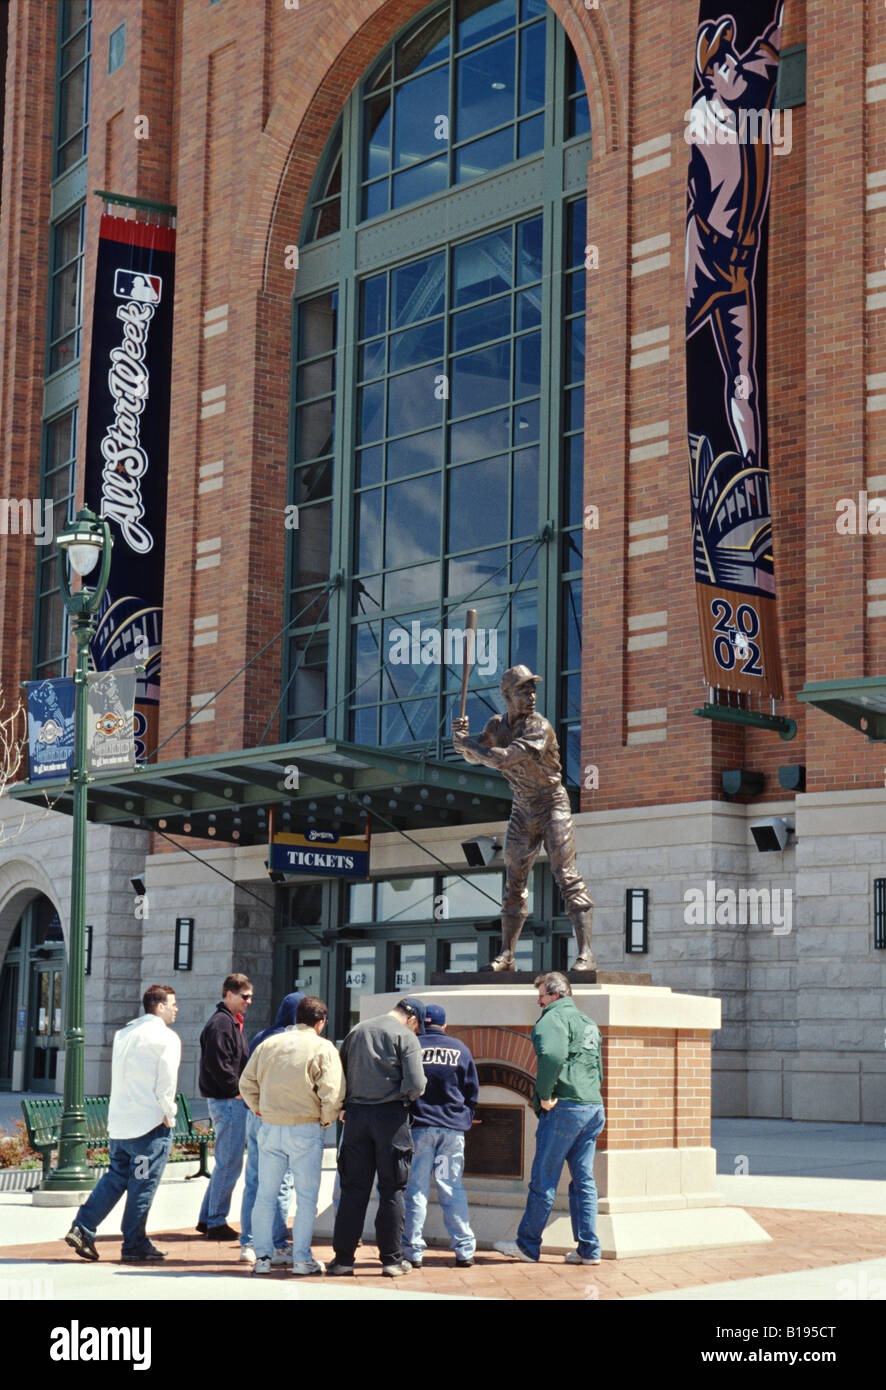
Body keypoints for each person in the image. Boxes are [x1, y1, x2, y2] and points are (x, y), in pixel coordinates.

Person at [452, 665, 595, 971]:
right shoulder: (496, 724)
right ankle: (507, 955)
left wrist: (469, 746)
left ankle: (585, 954)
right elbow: (471, 755)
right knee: (514, 882)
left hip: (552, 803)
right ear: (506, 695)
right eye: (523, 690)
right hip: (522, 807)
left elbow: (500, 759)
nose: (531, 696)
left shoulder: (538, 727)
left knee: (566, 875)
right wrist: (461, 739)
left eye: (533, 690)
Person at [64, 984, 180, 1264]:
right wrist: (169, 1113)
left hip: (120, 1124)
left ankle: (83, 1226)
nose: (176, 1009)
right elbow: (165, 1082)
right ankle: (134, 1242)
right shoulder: (166, 1037)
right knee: (142, 1184)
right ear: (160, 1006)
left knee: (115, 1178)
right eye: (173, 1004)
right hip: (148, 1127)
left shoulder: (124, 1033)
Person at [494, 972, 605, 1265]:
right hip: (592, 1106)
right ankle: (588, 1249)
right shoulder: (588, 1022)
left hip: (565, 1108)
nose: (539, 1001)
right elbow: (597, 1067)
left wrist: (543, 1094)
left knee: (544, 1179)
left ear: (555, 995)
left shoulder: (551, 1019)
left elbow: (552, 1056)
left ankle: (527, 1246)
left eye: (541, 996)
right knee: (584, 1180)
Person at [239, 994, 344, 1276]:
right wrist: (325, 1121)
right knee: (306, 1198)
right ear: (320, 1022)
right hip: (305, 1127)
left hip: (271, 1126)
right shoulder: (323, 1048)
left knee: (265, 1194)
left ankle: (262, 1258)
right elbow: (332, 1093)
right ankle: (301, 1259)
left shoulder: (269, 1044)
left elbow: (245, 1083)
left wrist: (261, 1110)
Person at [327, 996, 427, 1278]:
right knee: (392, 1189)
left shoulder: (356, 1031)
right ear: (413, 1020)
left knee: (353, 1189)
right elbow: (417, 1083)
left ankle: (343, 1259)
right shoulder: (405, 1036)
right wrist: (403, 1096)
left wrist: (346, 1104)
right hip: (391, 1118)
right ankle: (392, 1260)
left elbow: (340, 1074)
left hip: (356, 1116)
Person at [402, 1003, 479, 1269]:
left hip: (421, 1132)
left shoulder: (413, 1047)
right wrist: (464, 1117)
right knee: (450, 1187)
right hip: (450, 1134)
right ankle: (464, 1250)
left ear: (421, 1023)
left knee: (417, 1190)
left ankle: (413, 1252)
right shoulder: (460, 1049)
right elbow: (472, 1091)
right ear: (444, 1025)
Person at [237, 990, 304, 1265]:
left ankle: (249, 1242)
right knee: (281, 1181)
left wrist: (255, 1107)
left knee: (254, 1178)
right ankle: (275, 1242)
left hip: (255, 1115)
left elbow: (247, 1079)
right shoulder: (291, 1041)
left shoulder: (261, 1037)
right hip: (278, 1116)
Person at [196, 973, 253, 1240]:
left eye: (250, 996)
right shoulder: (221, 1024)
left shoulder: (230, 1023)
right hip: (228, 1102)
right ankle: (216, 1221)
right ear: (228, 994)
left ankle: (208, 1218)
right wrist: (237, 1092)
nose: (248, 1001)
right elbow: (219, 1065)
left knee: (225, 1163)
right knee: (229, 1163)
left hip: (228, 1101)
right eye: (245, 996)